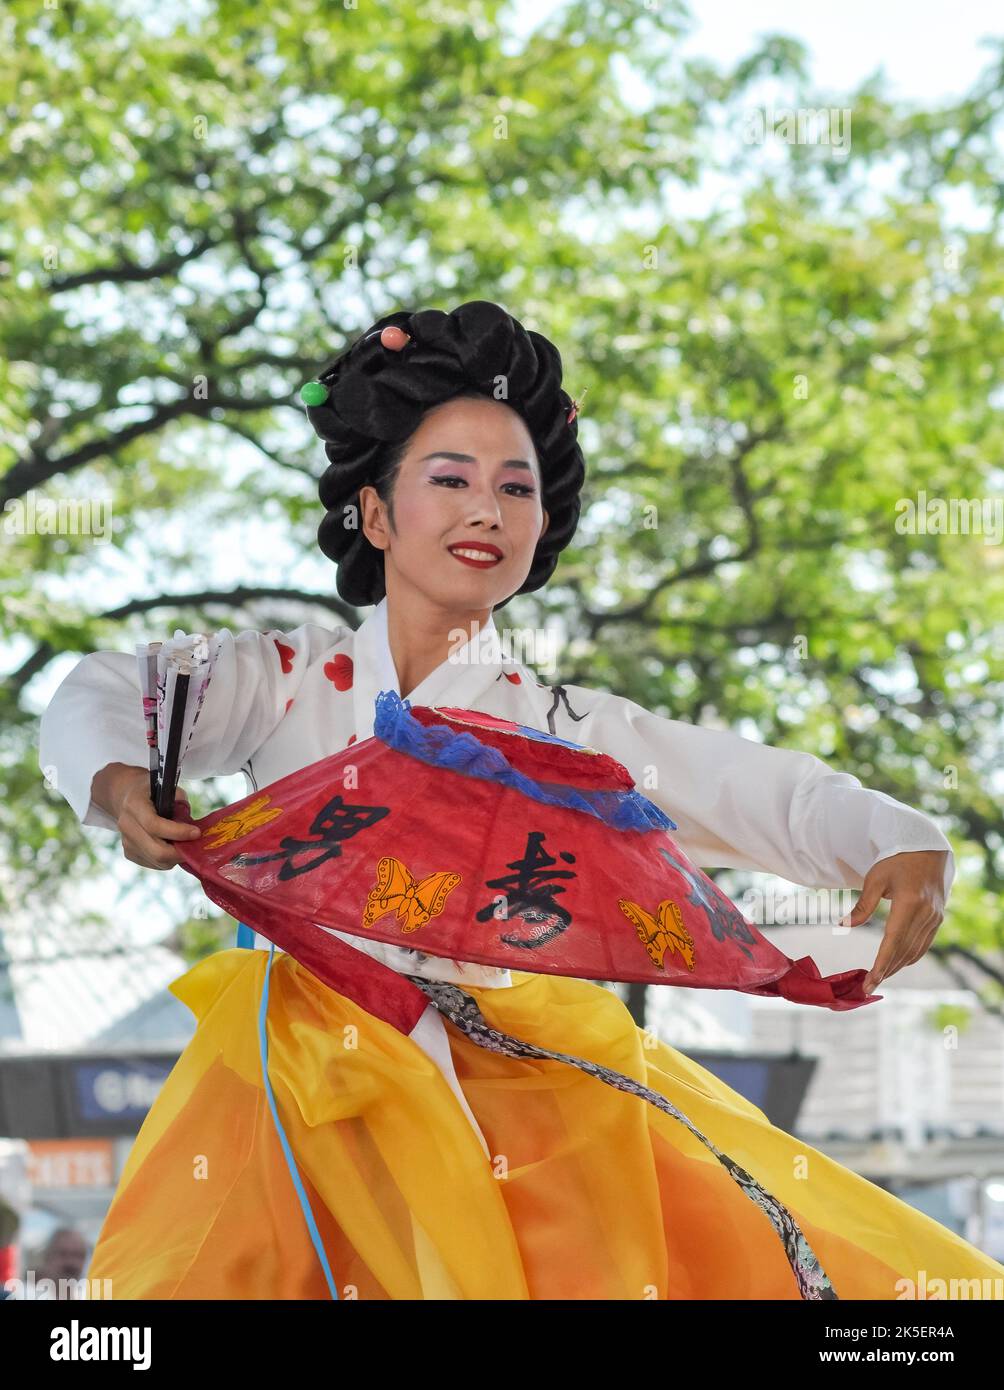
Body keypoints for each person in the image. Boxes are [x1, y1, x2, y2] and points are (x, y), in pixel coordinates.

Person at [38, 300, 1003, 1299]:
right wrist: (116, 784)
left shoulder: (557, 728)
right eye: (448, 479)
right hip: (299, 1086)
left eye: (514, 487)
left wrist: (893, 835)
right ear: (374, 513)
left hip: (511, 1090)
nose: (484, 511)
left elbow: (747, 782)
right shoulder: (283, 675)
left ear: (541, 523)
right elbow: (106, 690)